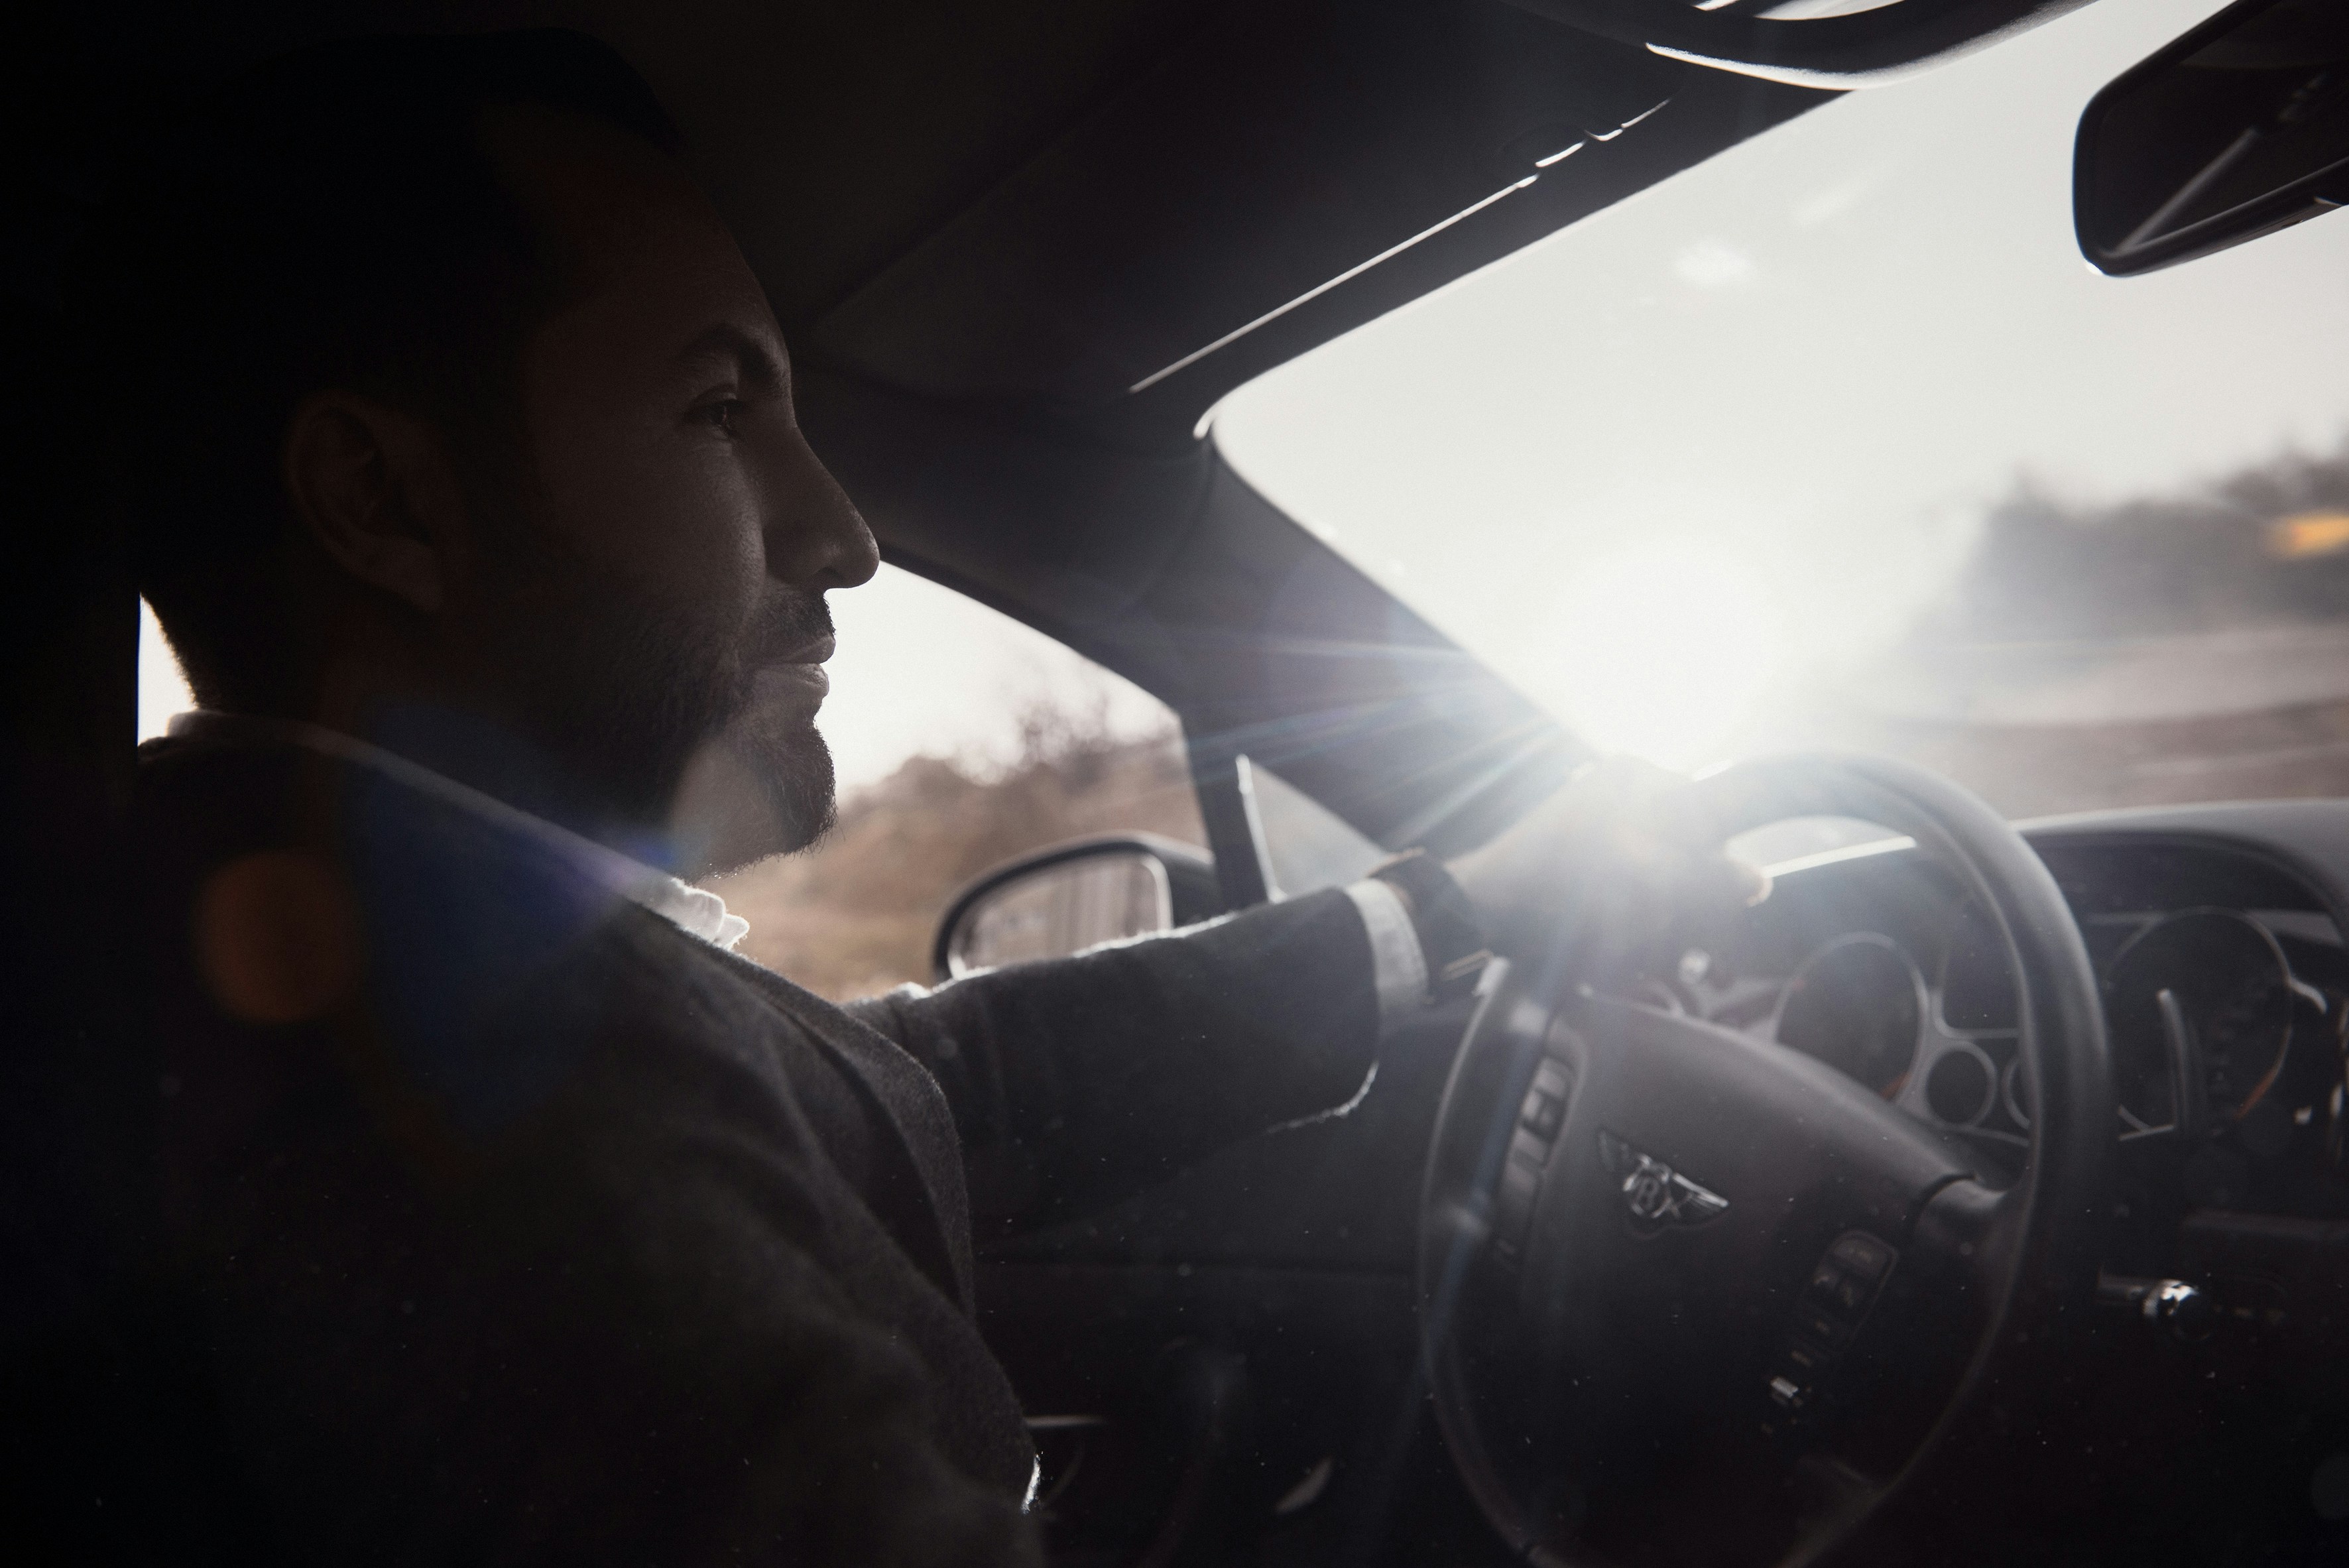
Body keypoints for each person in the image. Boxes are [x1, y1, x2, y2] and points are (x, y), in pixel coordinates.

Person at [102, 30, 1749, 1566]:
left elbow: (935, 1086)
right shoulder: (460, 1077)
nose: (842, 535)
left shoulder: (372, 957)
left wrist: (1453, 905)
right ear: (382, 501)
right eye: (719, 408)